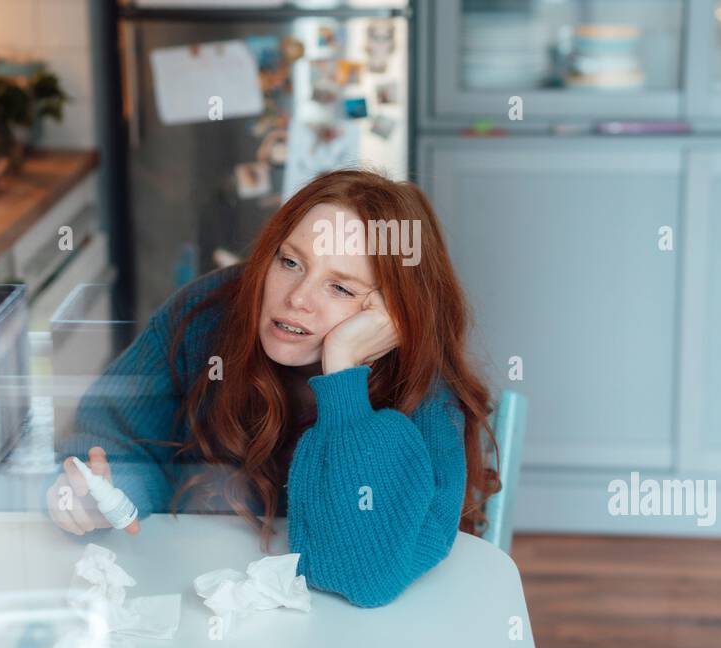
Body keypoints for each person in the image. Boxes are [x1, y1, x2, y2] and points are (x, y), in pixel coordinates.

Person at [45, 168, 500, 607]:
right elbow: (113, 437)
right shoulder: (206, 314)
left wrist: (343, 375)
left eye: (340, 288)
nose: (297, 297)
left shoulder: (423, 388)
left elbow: (362, 574)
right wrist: (105, 491)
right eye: (289, 262)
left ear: (391, 314)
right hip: (195, 597)